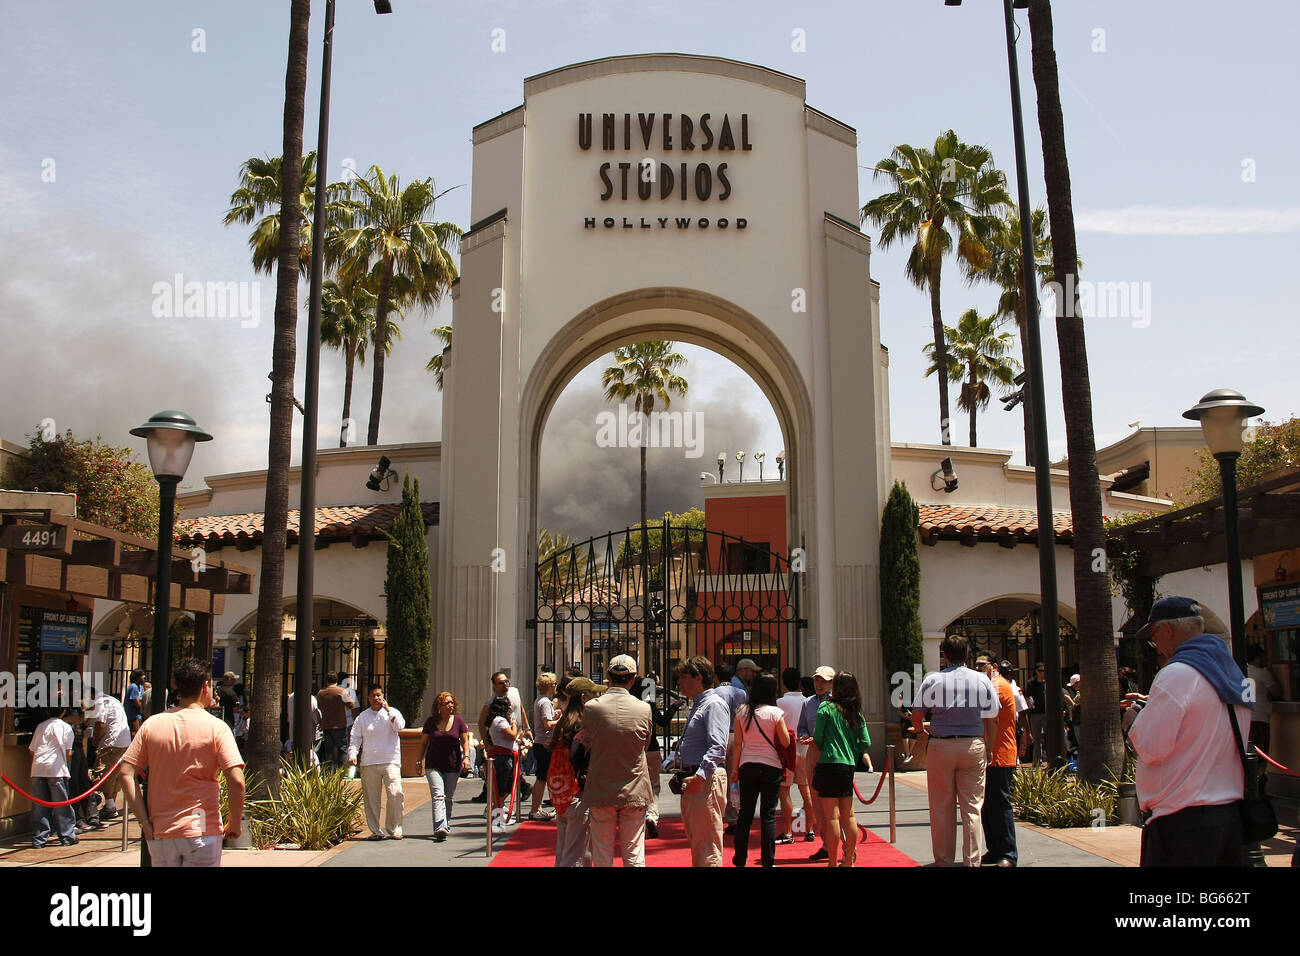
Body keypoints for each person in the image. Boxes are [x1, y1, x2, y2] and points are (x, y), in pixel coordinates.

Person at [1124, 597, 1253, 867]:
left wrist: (1137, 717)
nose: (1155, 646)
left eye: (1153, 636)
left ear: (1167, 630)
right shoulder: (1231, 674)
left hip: (1182, 823)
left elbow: (1151, 747)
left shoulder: (1177, 674)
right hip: (1227, 818)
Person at [119, 659, 245, 867]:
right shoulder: (217, 727)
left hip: (161, 832)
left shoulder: (152, 725)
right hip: (202, 828)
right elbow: (237, 780)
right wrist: (235, 821)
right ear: (205, 686)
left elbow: (126, 772)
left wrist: (144, 822)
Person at [912, 635, 999, 867]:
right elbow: (992, 718)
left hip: (941, 744)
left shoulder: (933, 681)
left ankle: (943, 860)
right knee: (972, 807)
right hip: (973, 744)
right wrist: (989, 747)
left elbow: (917, 714)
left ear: (945, 655)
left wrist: (922, 732)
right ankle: (972, 861)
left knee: (941, 805)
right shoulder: (981, 680)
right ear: (968, 655)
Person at [580, 654, 654, 867]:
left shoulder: (592, 707)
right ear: (633, 679)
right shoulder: (644, 708)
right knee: (634, 854)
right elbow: (645, 745)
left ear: (608, 677)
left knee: (602, 853)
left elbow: (587, 739)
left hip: (601, 786)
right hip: (634, 786)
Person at [810, 671, 872, 867]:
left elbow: (818, 737)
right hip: (847, 765)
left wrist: (823, 744)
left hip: (828, 763)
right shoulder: (856, 712)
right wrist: (852, 750)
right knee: (849, 815)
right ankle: (848, 859)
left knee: (831, 817)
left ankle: (832, 861)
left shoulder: (826, 708)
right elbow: (866, 742)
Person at [674, 655, 731, 867]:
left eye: (683, 677)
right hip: (696, 779)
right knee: (699, 842)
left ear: (698, 677)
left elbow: (717, 747)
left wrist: (700, 776)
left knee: (707, 845)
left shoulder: (713, 704)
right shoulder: (702, 703)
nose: (679, 682)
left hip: (704, 779)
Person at [731, 672, 791, 867]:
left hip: (747, 765)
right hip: (770, 766)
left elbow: (738, 744)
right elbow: (785, 741)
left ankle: (740, 858)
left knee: (745, 816)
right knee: (768, 816)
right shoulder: (775, 713)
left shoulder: (742, 711)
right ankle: (768, 860)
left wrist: (735, 769)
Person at [550, 676, 604, 866]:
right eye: (593, 694)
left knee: (564, 849)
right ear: (583, 697)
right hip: (577, 792)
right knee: (578, 854)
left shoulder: (564, 723)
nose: (596, 698)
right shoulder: (582, 725)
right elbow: (577, 757)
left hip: (561, 793)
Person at [975, 655, 1019, 867]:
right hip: (987, 755)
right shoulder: (985, 686)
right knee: (988, 806)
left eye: (982, 664)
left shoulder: (998, 686)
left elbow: (985, 715)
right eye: (975, 665)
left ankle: (1008, 854)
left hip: (1000, 754)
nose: (977, 668)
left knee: (1000, 805)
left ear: (993, 666)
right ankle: (994, 850)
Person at [347, 686, 406, 840]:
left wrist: (388, 711)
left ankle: (395, 828)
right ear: (368, 698)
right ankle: (376, 831)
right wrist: (353, 754)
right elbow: (355, 738)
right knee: (371, 798)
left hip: (390, 760)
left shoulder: (392, 712)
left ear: (383, 696)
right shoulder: (362, 717)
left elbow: (399, 726)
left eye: (379, 695)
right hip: (369, 762)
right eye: (373, 695)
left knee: (395, 794)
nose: (376, 698)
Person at [797, 665, 835, 860]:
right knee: (817, 802)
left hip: (833, 755)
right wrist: (805, 737)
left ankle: (842, 847)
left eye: (824, 680)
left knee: (835, 804)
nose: (819, 684)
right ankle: (827, 845)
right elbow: (802, 727)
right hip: (813, 754)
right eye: (817, 680)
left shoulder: (838, 703)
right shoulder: (808, 703)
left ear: (831, 683)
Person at [421, 691, 470, 841]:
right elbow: (423, 743)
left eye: (452, 702)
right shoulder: (430, 722)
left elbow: (465, 741)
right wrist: (419, 761)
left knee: (448, 797)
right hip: (433, 764)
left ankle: (445, 824)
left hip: (452, 764)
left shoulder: (459, 721)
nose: (451, 705)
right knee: (438, 796)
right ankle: (439, 827)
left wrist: (466, 757)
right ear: (439, 706)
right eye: (447, 703)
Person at [28, 705, 77, 848]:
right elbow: (68, 753)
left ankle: (39, 839)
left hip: (38, 769)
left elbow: (32, 751)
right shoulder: (66, 727)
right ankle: (67, 836)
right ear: (63, 711)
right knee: (61, 806)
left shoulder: (40, 726)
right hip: (56, 770)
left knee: (39, 806)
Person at [630, 674, 672, 838]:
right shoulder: (648, 706)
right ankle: (651, 816)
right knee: (654, 786)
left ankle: (636, 818)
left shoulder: (630, 706)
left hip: (634, 748)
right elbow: (662, 721)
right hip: (652, 748)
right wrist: (674, 707)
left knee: (635, 785)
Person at [86, 683, 131, 822]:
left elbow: (100, 725)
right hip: (124, 741)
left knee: (102, 773)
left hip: (110, 742)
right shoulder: (113, 700)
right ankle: (110, 806)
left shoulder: (100, 702)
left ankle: (108, 806)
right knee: (115, 774)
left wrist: (95, 740)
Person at [776, 667, 811, 842]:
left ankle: (789, 831)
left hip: (787, 748)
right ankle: (809, 829)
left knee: (785, 790)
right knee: (806, 789)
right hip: (805, 747)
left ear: (783, 682)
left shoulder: (780, 703)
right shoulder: (808, 701)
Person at [486, 695, 521, 832]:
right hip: (502, 757)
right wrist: (514, 725)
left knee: (506, 786)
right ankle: (497, 815)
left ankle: (497, 811)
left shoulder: (496, 720)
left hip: (506, 755)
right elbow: (511, 735)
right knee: (501, 786)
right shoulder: (500, 721)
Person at [528, 672, 559, 821]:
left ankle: (537, 808)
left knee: (542, 776)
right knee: (542, 777)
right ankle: (535, 809)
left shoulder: (540, 700)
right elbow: (547, 724)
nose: (556, 686)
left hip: (540, 743)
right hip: (545, 743)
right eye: (554, 684)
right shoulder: (546, 702)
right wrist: (561, 721)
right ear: (549, 686)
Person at [316, 675, 352, 768]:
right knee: (342, 748)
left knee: (329, 750)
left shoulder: (320, 693)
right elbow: (351, 704)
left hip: (326, 725)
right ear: (337, 680)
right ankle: (342, 771)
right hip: (340, 724)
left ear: (326, 680)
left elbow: (319, 706)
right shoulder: (341, 691)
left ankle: (330, 773)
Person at [1025, 663, 1047, 764]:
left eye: (1044, 671)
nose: (1042, 673)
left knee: (1048, 737)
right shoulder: (1031, 683)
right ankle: (1037, 761)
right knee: (1036, 738)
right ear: (1036, 671)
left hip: (1046, 713)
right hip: (1035, 713)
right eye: (1040, 671)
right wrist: (1029, 703)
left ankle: (1050, 759)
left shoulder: (1047, 683)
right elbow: (1028, 696)